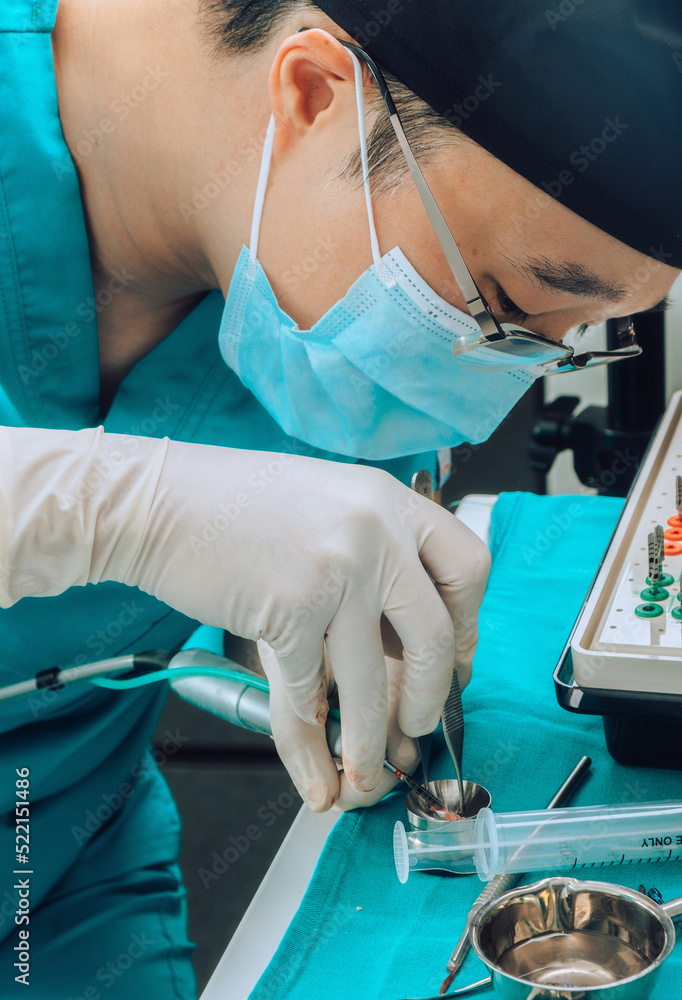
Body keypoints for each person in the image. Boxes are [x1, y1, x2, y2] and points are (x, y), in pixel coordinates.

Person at [0, 0, 679, 995]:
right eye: (503, 306)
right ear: (313, 92)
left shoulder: (292, 250)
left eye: (571, 335)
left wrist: (298, 622)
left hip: (63, 871)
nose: (497, 394)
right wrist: (118, 509)